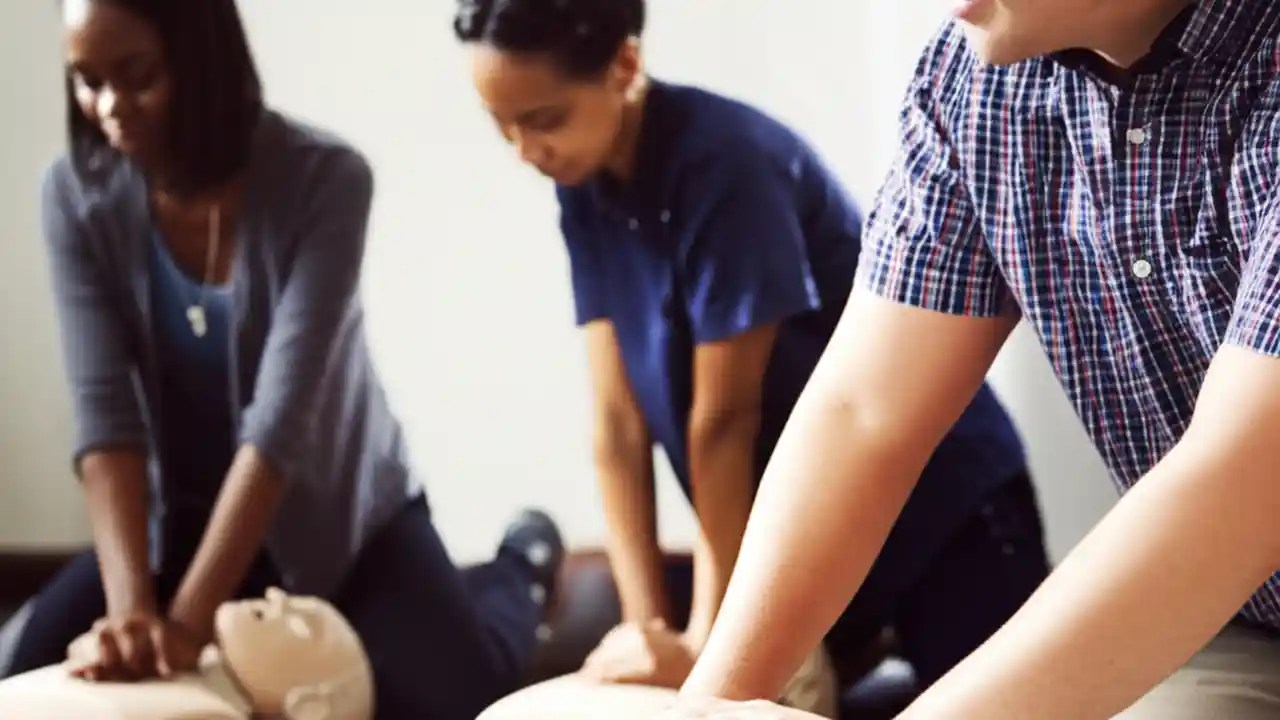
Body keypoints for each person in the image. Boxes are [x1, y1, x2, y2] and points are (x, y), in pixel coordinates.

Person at [660, 0, 1280, 718]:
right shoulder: (972, 83)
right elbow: (862, 412)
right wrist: (713, 703)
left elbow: (1245, 481)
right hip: (1242, 623)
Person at [452, 0, 1050, 700]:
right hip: (817, 535)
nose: (525, 151)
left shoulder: (723, 161)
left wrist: (707, 643)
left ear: (625, 64)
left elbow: (723, 422)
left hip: (947, 510)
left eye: (544, 120)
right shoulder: (583, 188)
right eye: (503, 125)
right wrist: (650, 630)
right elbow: (617, 429)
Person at [5, 2, 565, 718]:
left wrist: (186, 626)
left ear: (200, 62)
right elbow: (105, 415)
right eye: (86, 80)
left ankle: (516, 571)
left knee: (455, 697)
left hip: (343, 527)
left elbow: (281, 422)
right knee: (22, 670)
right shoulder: (73, 197)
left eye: (137, 76)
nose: (109, 107)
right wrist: (132, 620)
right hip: (173, 532)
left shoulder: (326, 180)